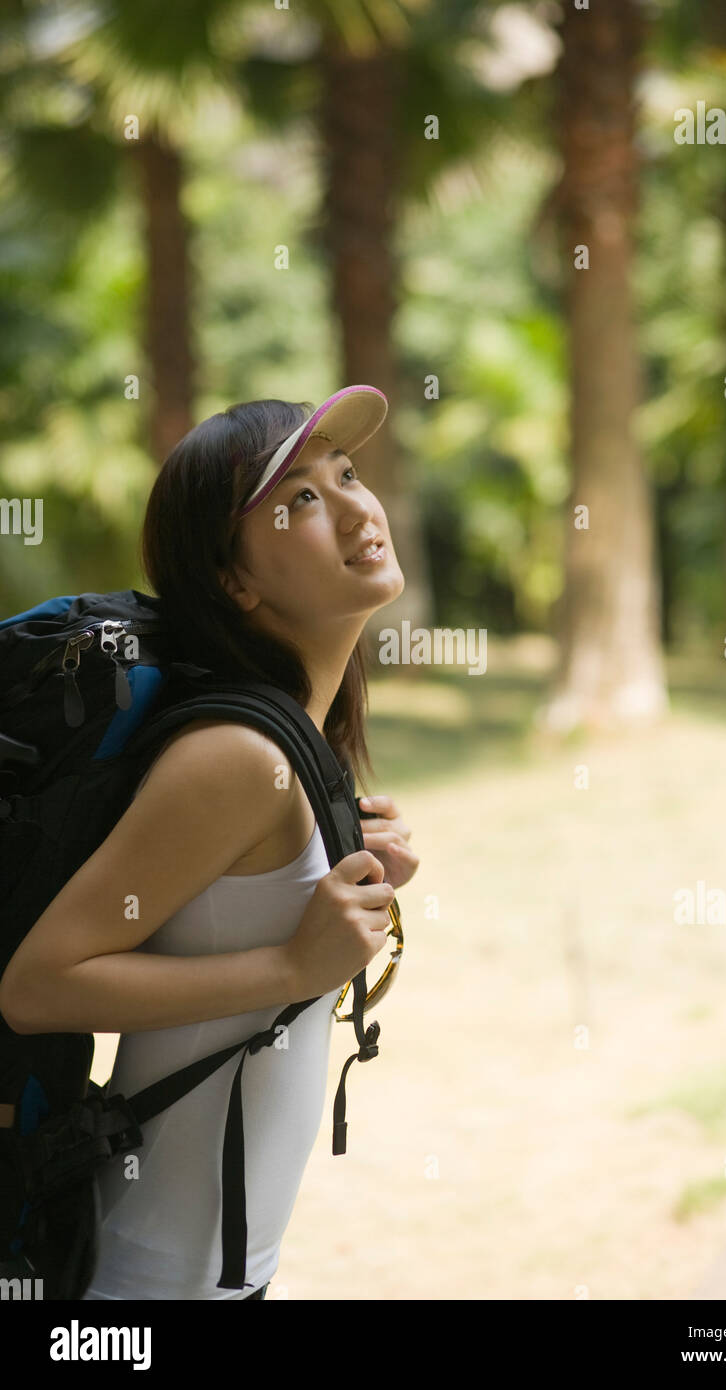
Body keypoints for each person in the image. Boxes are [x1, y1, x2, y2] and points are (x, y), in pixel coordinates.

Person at [0, 386, 419, 1299]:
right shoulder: (235, 756)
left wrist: (353, 868)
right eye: (299, 499)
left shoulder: (292, 737)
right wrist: (293, 965)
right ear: (234, 580)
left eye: (346, 475)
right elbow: (38, 987)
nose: (354, 505)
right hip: (149, 1287)